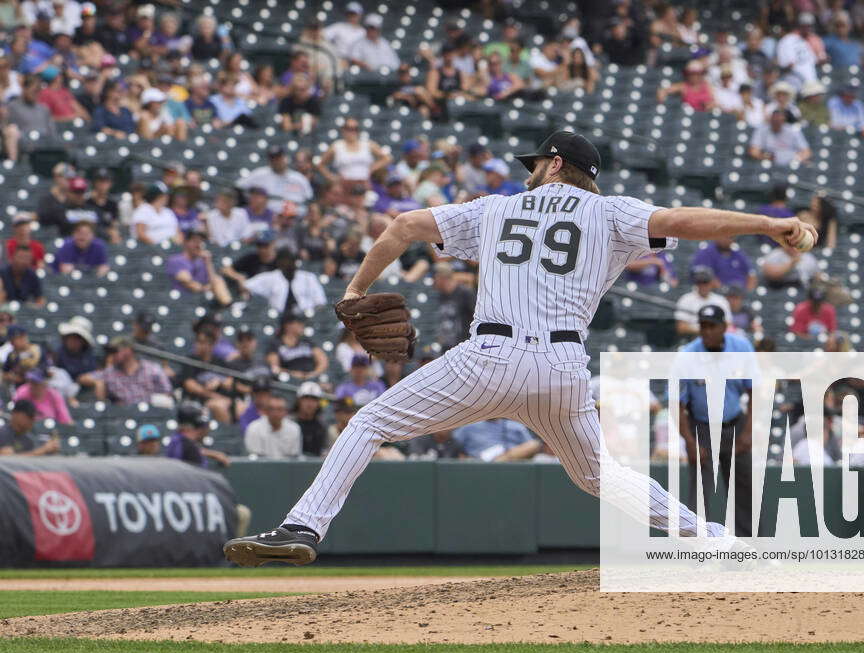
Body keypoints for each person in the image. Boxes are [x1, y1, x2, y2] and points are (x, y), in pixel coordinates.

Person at [223, 129, 817, 565]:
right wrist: (766, 225)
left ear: (556, 163)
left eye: (537, 162)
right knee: (599, 476)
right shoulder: (613, 212)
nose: (530, 170)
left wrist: (356, 289)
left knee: (369, 422)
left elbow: (402, 225)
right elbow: (684, 221)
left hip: (491, 357)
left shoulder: (495, 209)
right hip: (562, 369)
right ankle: (714, 540)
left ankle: (303, 526)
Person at [676, 304, 755, 536]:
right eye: (703, 326)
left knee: (745, 490)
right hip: (701, 426)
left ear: (724, 327)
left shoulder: (741, 348)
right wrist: (690, 442)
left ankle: (751, 548)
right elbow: (676, 404)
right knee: (699, 493)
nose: (707, 331)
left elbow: (756, 392)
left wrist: (748, 433)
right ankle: (699, 552)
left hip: (734, 423)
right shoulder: (687, 356)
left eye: (712, 326)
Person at [82, 336, 172, 405]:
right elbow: (82, 378)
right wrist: (98, 383)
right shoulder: (110, 372)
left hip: (149, 416)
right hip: (121, 417)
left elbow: (167, 392)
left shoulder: (152, 369)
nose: (112, 355)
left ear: (128, 350)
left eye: (115, 351)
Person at [246, 247, 327, 313]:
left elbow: (320, 302)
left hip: (304, 316)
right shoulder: (271, 277)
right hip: (278, 317)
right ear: (279, 262)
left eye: (291, 260)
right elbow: (246, 285)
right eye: (285, 261)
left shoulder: (309, 277)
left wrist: (313, 315)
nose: (289, 263)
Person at [177, 330, 234, 424]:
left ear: (211, 345)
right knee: (218, 405)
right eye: (198, 342)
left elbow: (230, 381)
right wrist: (213, 395)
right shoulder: (190, 361)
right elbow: (190, 385)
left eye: (203, 342)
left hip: (222, 399)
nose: (198, 345)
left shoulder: (219, 361)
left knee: (241, 406)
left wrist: (219, 381)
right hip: (197, 402)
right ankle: (229, 436)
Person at [165, 229, 233, 306]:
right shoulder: (176, 260)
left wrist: (208, 262)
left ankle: (229, 306)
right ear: (186, 242)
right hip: (184, 298)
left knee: (218, 280)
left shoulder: (202, 261)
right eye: (194, 241)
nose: (198, 245)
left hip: (203, 297)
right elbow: (190, 284)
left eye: (200, 241)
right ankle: (229, 307)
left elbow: (212, 280)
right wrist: (206, 288)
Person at [237, 146, 314, 213]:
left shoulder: (298, 178)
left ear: (285, 158)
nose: (276, 161)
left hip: (294, 219)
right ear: (269, 160)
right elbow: (238, 187)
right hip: (268, 219)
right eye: (273, 158)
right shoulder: (259, 174)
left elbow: (309, 199)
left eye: (279, 158)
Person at [3, 75, 56, 162]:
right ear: (24, 88)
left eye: (38, 91)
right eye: (34, 91)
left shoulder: (44, 109)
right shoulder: (12, 106)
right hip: (23, 143)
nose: (36, 94)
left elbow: (52, 131)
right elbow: (6, 129)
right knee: (11, 130)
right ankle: (13, 166)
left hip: (44, 144)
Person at [266, 310, 328, 380]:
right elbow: (274, 368)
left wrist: (313, 374)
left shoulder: (306, 342)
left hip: (311, 379)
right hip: (289, 382)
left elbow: (323, 360)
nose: (302, 325)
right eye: (299, 323)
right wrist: (292, 374)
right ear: (287, 325)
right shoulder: (276, 344)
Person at [674, 266, 731, 338]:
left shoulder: (721, 300)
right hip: (693, 338)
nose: (703, 285)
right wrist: (707, 331)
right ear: (696, 283)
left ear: (711, 282)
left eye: (705, 282)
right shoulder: (686, 299)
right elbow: (681, 328)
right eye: (700, 282)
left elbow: (728, 324)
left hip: (717, 338)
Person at [167, 403, 230, 467]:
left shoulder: (177, 439)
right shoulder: (187, 446)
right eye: (205, 426)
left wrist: (210, 454)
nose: (207, 430)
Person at [453, 418, 542, 461]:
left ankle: (498, 461)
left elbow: (533, 446)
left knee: (534, 444)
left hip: (513, 464)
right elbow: (453, 445)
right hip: (479, 465)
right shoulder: (470, 425)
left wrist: (503, 458)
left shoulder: (515, 426)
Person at [431, 262, 475, 349]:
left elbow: (476, 317)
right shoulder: (438, 295)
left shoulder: (465, 293)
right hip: (444, 348)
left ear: (441, 278)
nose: (432, 281)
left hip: (463, 346)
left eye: (434, 278)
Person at [689, 237, 755, 289]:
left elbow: (751, 274)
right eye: (725, 236)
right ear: (717, 236)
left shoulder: (738, 253)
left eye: (730, 237)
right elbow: (705, 276)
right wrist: (723, 290)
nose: (728, 240)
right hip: (717, 294)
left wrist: (747, 292)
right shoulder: (706, 252)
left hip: (738, 295)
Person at [54, 315, 97, 381]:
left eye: (77, 338)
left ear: (83, 341)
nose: (73, 340)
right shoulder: (58, 353)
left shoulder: (88, 356)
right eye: (70, 336)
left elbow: (91, 374)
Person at [294, 381, 329, 456]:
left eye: (314, 399)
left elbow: (324, 451)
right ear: (299, 401)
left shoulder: (321, 426)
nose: (309, 403)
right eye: (306, 398)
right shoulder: (290, 423)